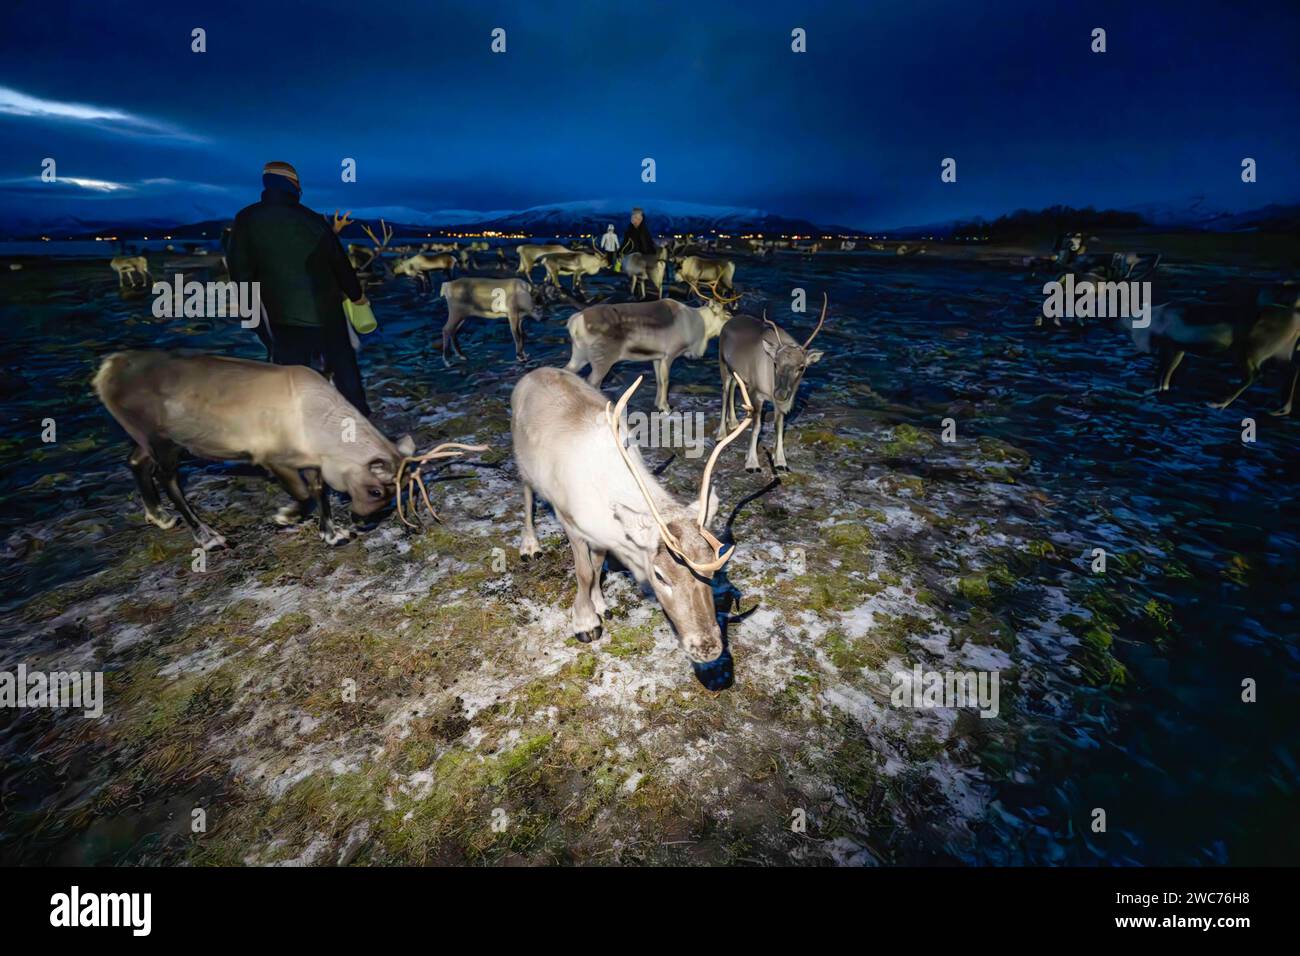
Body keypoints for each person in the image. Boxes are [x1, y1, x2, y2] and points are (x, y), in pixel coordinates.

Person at [227, 161, 372, 417]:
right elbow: (340, 264)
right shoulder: (311, 220)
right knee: (344, 371)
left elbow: (240, 272)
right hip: (327, 312)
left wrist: (252, 317)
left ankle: (296, 434)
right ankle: (361, 428)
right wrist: (357, 297)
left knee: (290, 376)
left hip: (282, 316)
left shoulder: (246, 219)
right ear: (293, 185)